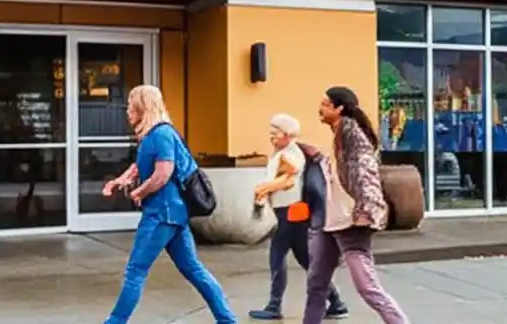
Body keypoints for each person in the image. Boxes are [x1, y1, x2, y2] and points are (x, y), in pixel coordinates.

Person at [101, 85, 236, 324]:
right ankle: (227, 320)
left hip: (161, 215)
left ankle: (114, 321)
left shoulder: (161, 134)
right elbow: (140, 166)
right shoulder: (151, 136)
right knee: (193, 269)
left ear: (143, 107)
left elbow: (163, 173)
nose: (128, 111)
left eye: (131, 106)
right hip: (174, 215)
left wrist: (139, 193)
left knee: (135, 271)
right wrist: (120, 181)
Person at [303, 86, 410, 324]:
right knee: (317, 282)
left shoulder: (352, 135)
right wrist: (317, 157)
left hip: (350, 222)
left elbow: (364, 172)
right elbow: (339, 172)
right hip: (331, 221)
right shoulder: (339, 134)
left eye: (324, 104)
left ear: (339, 108)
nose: (319, 109)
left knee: (368, 288)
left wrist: (366, 209)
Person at [248, 113, 348, 320]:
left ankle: (274, 306)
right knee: (307, 261)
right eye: (271, 133)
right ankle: (337, 302)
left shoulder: (290, 154)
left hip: (290, 214)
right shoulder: (283, 151)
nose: (271, 137)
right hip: (292, 214)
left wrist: (263, 188)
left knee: (277, 257)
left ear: (287, 134)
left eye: (275, 133)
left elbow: (289, 178)